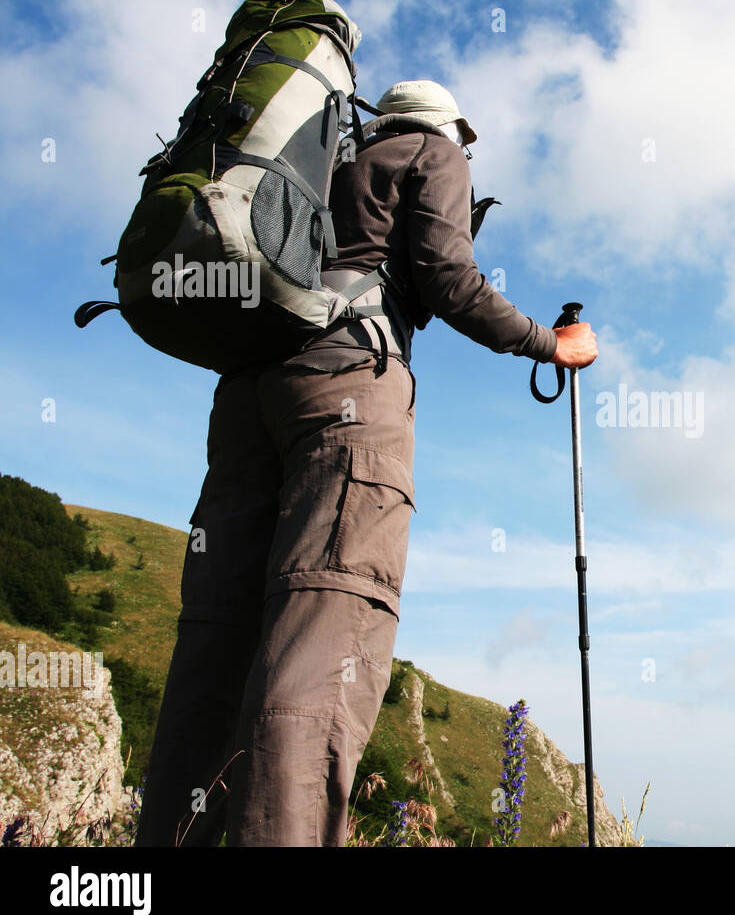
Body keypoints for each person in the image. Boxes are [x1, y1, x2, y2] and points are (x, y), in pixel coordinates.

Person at [135, 80, 598, 846]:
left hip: (248, 397)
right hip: (347, 387)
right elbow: (449, 278)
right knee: (324, 630)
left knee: (217, 641)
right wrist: (551, 344)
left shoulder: (315, 165)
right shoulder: (432, 150)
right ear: (449, 127)